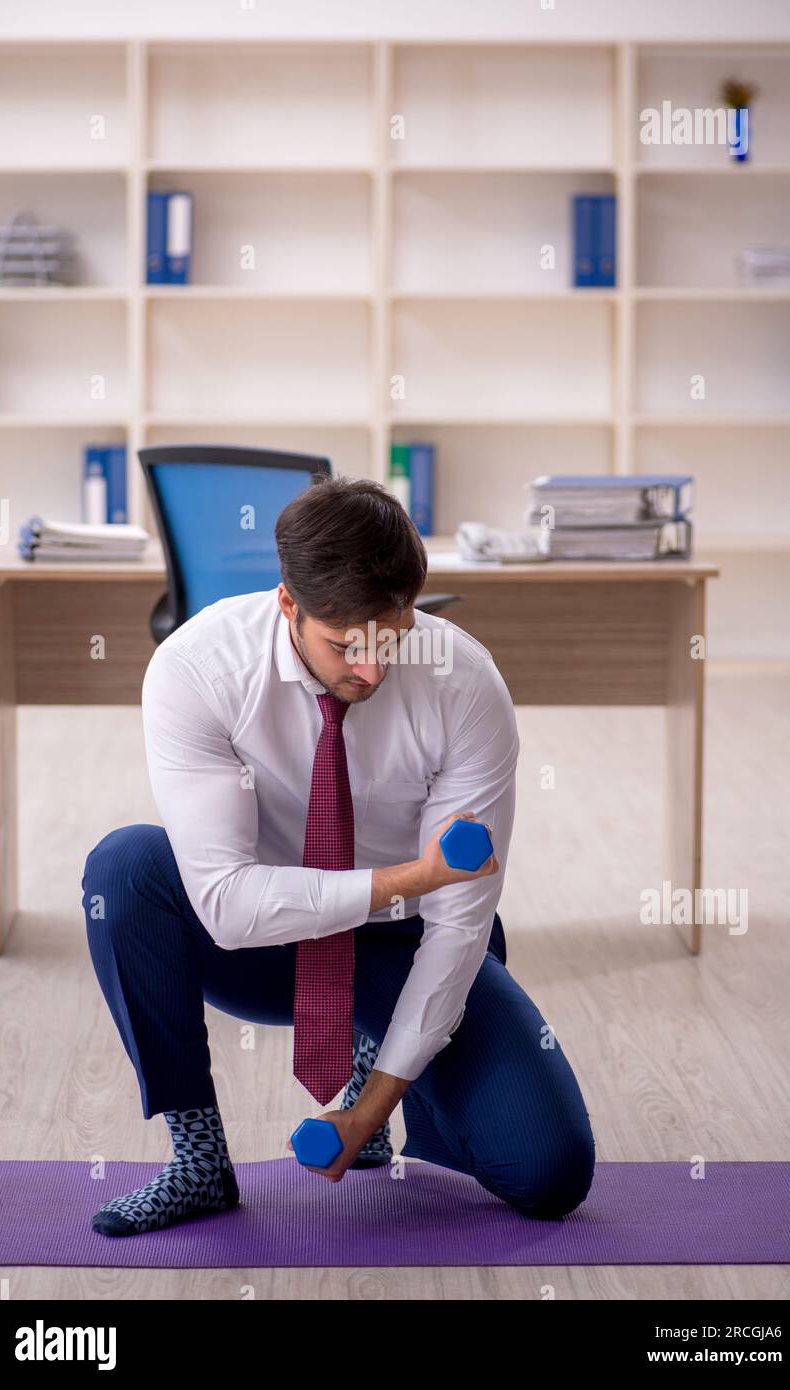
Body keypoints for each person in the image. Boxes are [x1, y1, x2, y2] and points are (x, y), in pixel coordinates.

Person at [82, 475, 595, 1236]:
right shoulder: (197, 669)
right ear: (287, 602)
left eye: (390, 637)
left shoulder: (463, 683)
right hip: (260, 946)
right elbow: (225, 906)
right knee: (125, 869)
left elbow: (456, 924)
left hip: (401, 941)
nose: (372, 670)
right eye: (345, 645)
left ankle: (376, 1061)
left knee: (549, 1174)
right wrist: (414, 875)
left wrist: (368, 1109)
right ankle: (196, 1162)